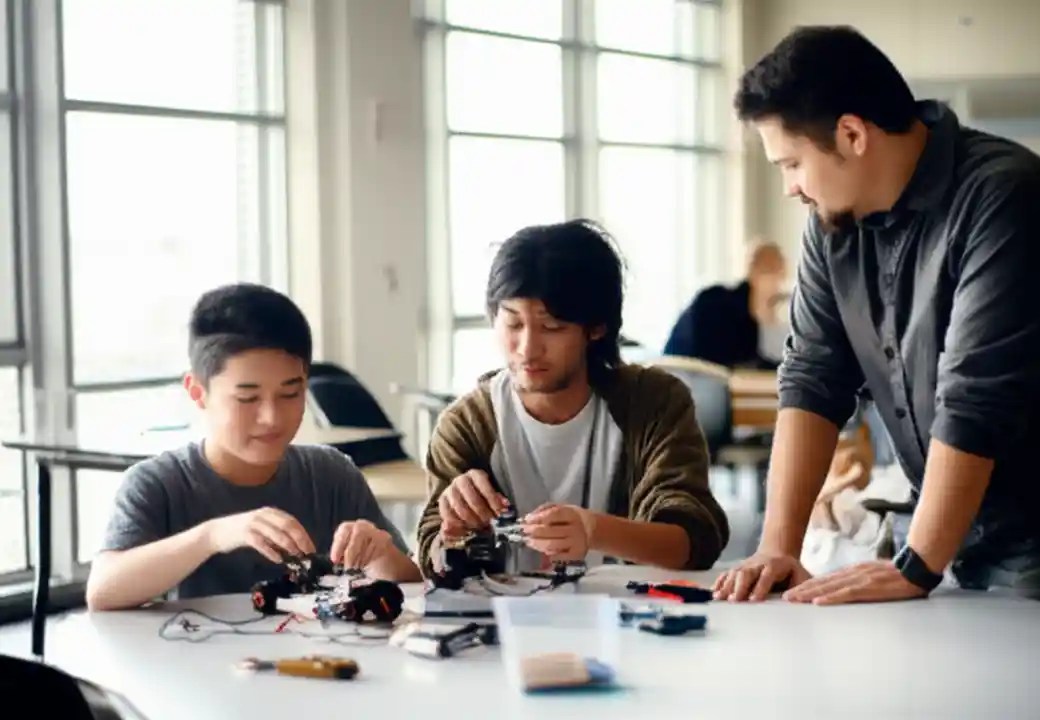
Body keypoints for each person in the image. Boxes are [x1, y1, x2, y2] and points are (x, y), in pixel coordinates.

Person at [712, 26, 1040, 615]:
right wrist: (776, 548)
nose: (790, 187)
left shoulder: (1006, 197)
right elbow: (813, 378)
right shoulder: (831, 226)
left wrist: (917, 565)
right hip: (940, 523)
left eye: (792, 163)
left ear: (851, 134)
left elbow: (976, 400)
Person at [415, 219, 729, 577]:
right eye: (513, 323)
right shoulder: (468, 424)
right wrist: (453, 535)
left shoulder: (653, 403)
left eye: (552, 327)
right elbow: (431, 556)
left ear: (597, 328)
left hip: (630, 621)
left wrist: (595, 531)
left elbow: (695, 540)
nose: (528, 349)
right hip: (505, 622)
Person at [85, 284, 420, 610]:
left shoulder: (331, 474)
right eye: (247, 398)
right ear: (198, 392)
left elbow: (411, 585)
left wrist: (380, 555)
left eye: (291, 393)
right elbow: (102, 592)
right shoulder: (159, 483)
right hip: (193, 662)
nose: (271, 417)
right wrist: (213, 536)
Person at [662, 239, 790, 369]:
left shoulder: (722, 301)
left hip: (683, 374)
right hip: (690, 376)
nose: (779, 288)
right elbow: (734, 362)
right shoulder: (718, 304)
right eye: (778, 275)